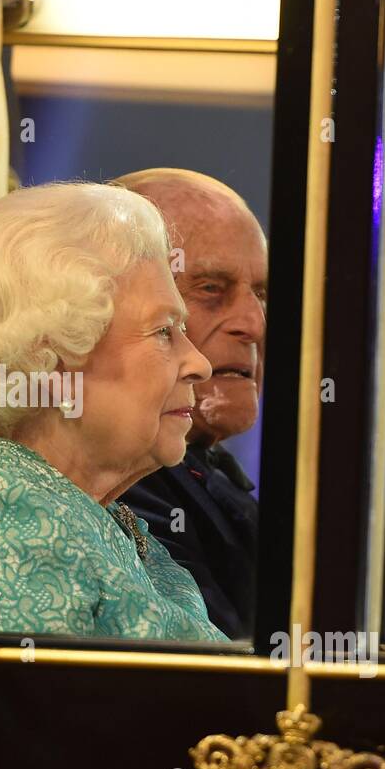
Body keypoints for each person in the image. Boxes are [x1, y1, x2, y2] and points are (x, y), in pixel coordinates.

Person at [0, 182, 228, 643]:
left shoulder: (99, 516)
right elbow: (19, 710)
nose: (199, 363)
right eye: (165, 331)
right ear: (53, 355)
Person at [114, 169, 267, 641]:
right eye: (209, 289)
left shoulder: (198, 466)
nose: (254, 324)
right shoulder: (116, 483)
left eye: (261, 294)